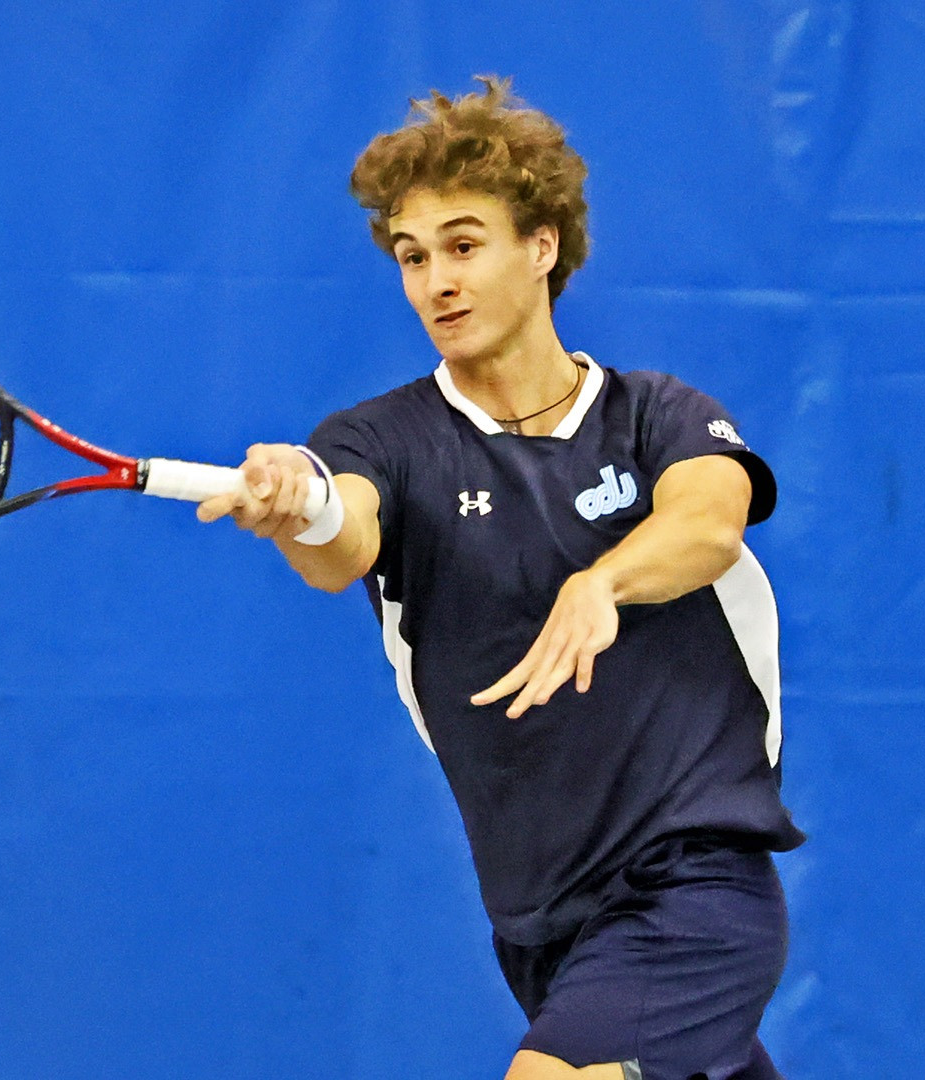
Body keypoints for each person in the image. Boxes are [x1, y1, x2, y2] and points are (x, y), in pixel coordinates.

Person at [197, 76, 804, 1080]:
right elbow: (342, 541)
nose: (437, 278)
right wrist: (295, 504)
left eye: (464, 244)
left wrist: (603, 583)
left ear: (541, 246)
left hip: (692, 884)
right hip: (540, 921)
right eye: (412, 256)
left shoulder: (656, 414)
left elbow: (707, 523)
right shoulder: (380, 440)